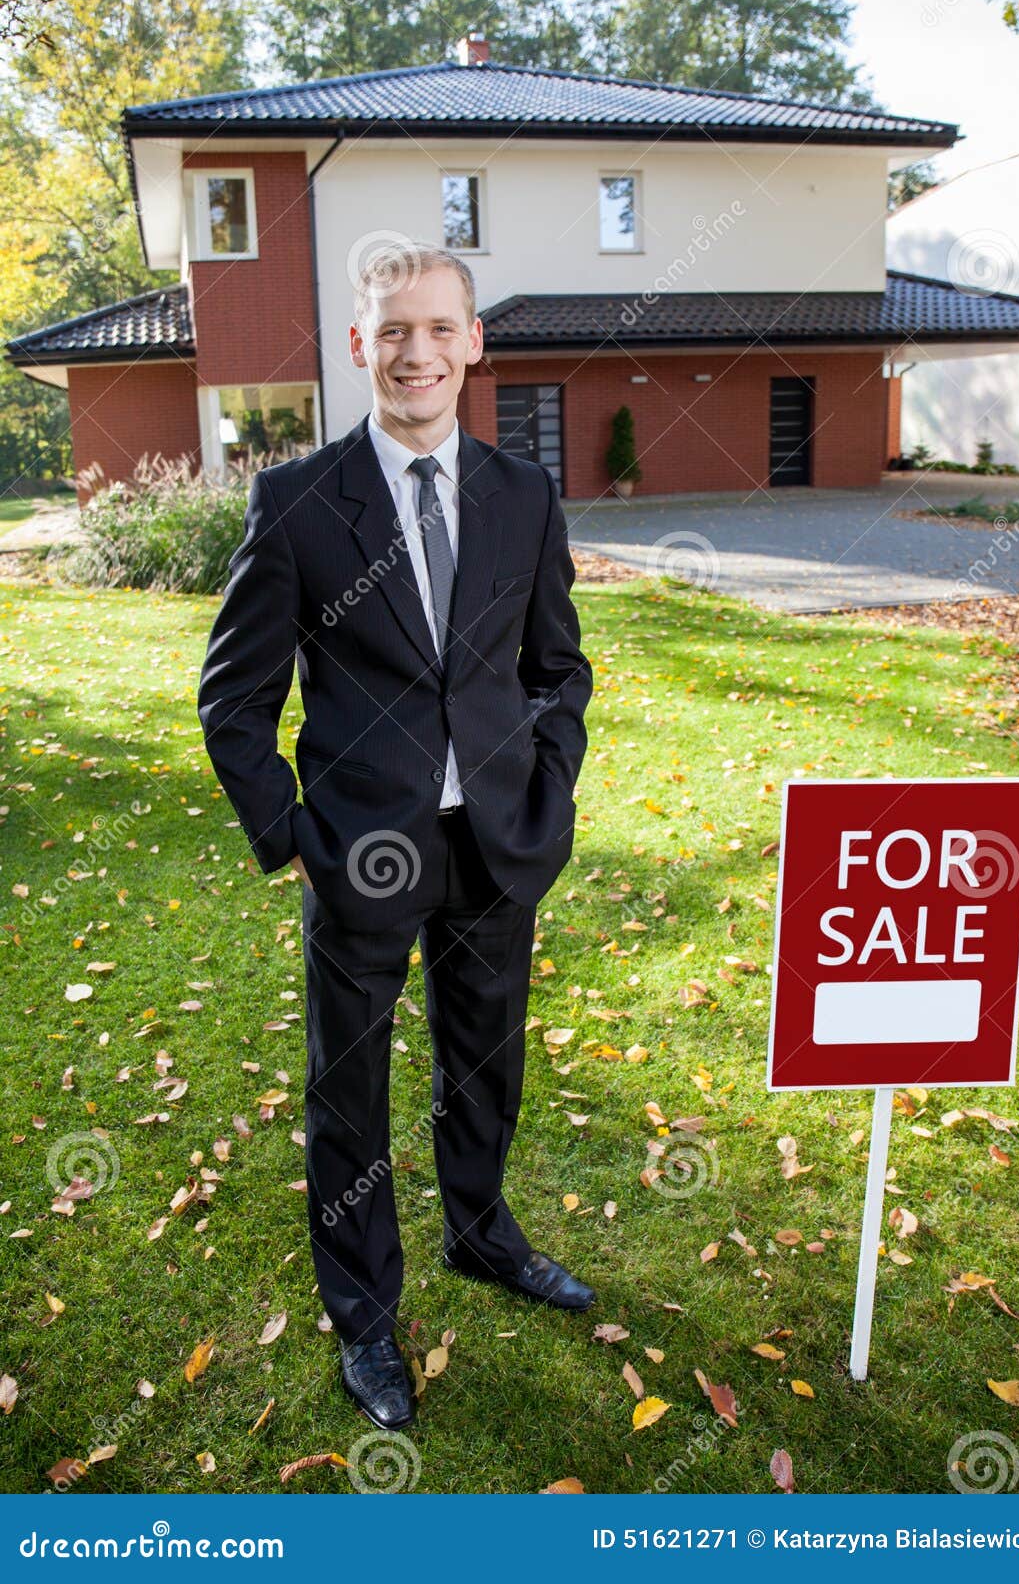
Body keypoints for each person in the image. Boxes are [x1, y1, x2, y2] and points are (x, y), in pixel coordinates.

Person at [198, 242, 596, 1431]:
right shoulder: (298, 503)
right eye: (392, 330)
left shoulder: (523, 495)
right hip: (359, 849)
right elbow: (233, 700)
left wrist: (545, 788)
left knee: (485, 1060)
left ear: (473, 342)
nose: (415, 351)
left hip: (496, 842)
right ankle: (365, 1313)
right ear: (358, 345)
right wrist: (291, 834)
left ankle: (480, 1232)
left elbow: (557, 667)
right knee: (349, 1091)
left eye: (436, 328)